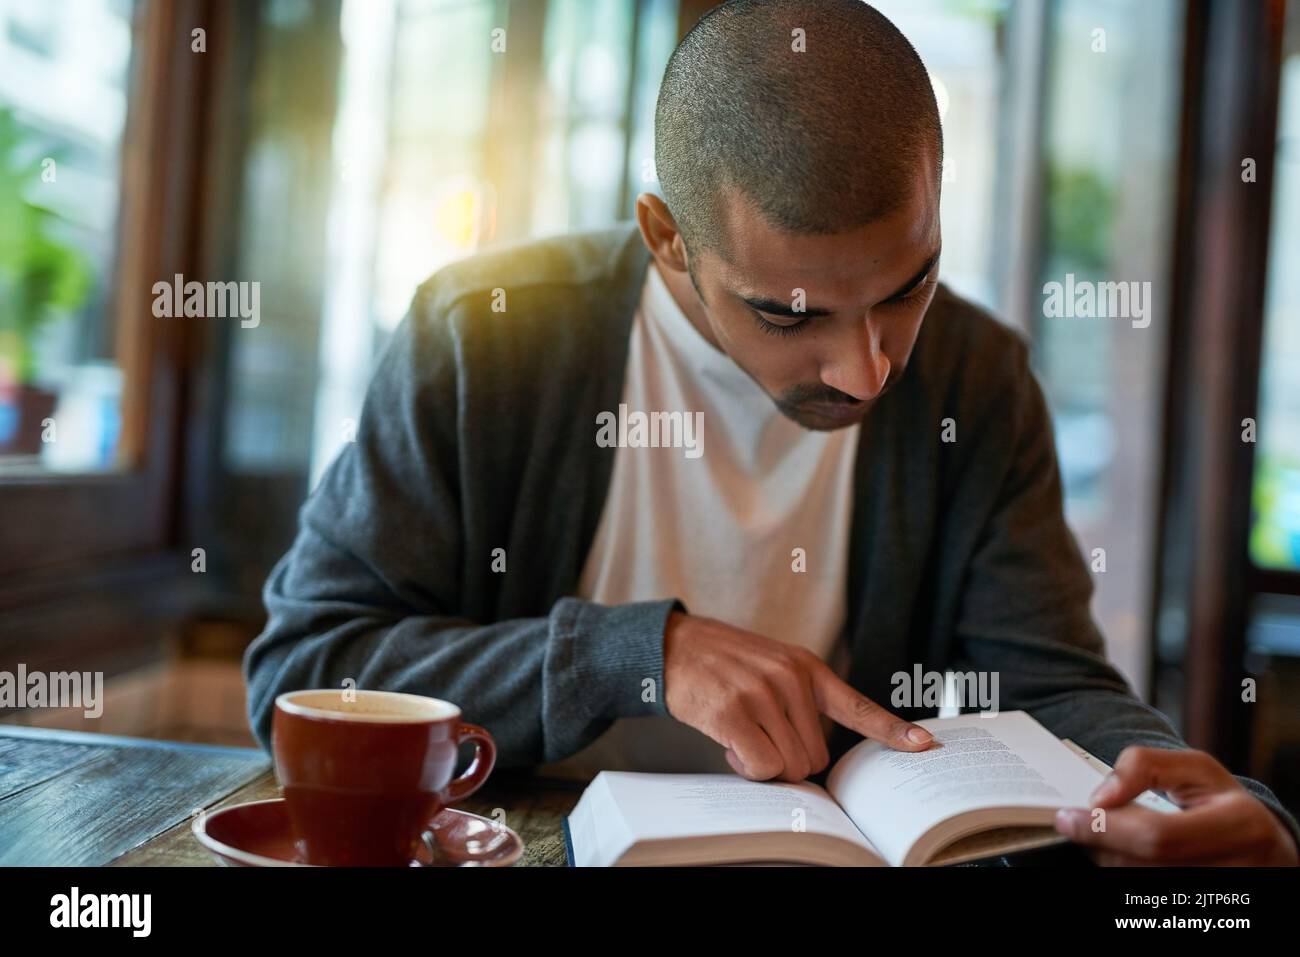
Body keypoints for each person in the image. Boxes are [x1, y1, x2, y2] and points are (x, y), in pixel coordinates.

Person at [244, 0, 1299, 865]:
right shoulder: (485, 339)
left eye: (907, 286)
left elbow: (1044, 682)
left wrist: (1178, 794)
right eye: (790, 315)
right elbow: (309, 666)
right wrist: (637, 655)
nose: (868, 368)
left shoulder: (974, 378)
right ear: (668, 239)